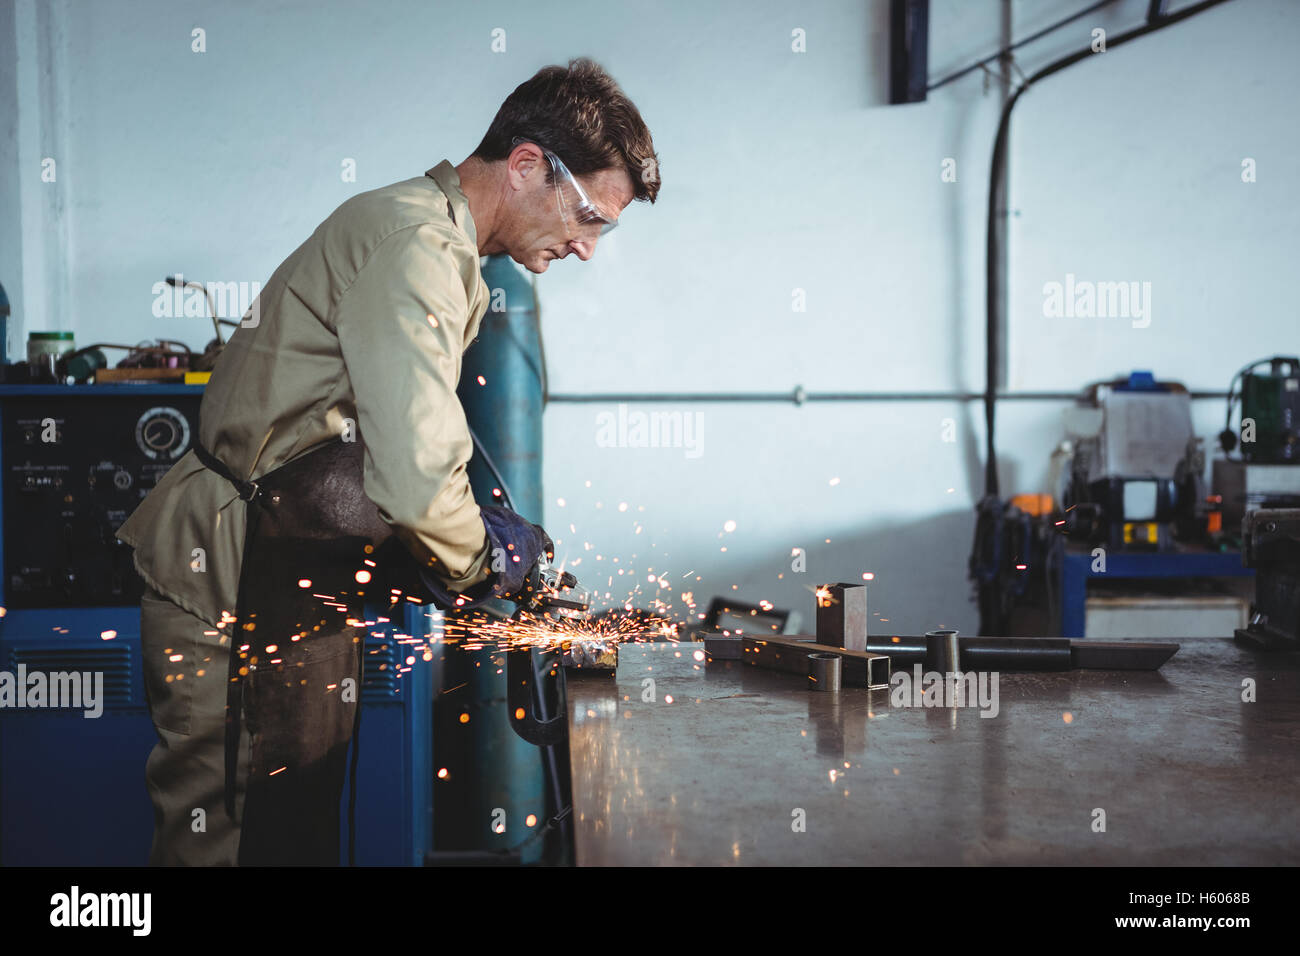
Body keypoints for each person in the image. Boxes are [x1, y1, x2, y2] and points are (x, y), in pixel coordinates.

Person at [115, 57, 661, 865]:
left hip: (288, 562)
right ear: (525, 165)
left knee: (289, 828)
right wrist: (484, 558)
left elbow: (396, 444)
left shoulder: (437, 245)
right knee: (227, 835)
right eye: (591, 217)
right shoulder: (418, 247)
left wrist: (464, 542)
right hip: (231, 564)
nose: (587, 247)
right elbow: (413, 479)